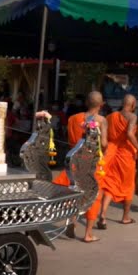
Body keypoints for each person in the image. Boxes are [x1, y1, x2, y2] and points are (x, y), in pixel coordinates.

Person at [53, 91, 107, 242]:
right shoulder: (101, 120)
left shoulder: (73, 119)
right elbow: (103, 143)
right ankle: (88, 234)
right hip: (91, 163)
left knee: (75, 191)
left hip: (75, 161)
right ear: (101, 105)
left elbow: (71, 139)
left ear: (86, 103)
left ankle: (72, 221)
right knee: (94, 194)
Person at [99, 94, 138, 226]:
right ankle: (125, 217)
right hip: (125, 154)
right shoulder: (132, 116)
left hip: (111, 152)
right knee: (128, 186)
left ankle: (103, 215)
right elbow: (129, 134)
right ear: (133, 105)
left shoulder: (111, 116)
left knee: (110, 184)